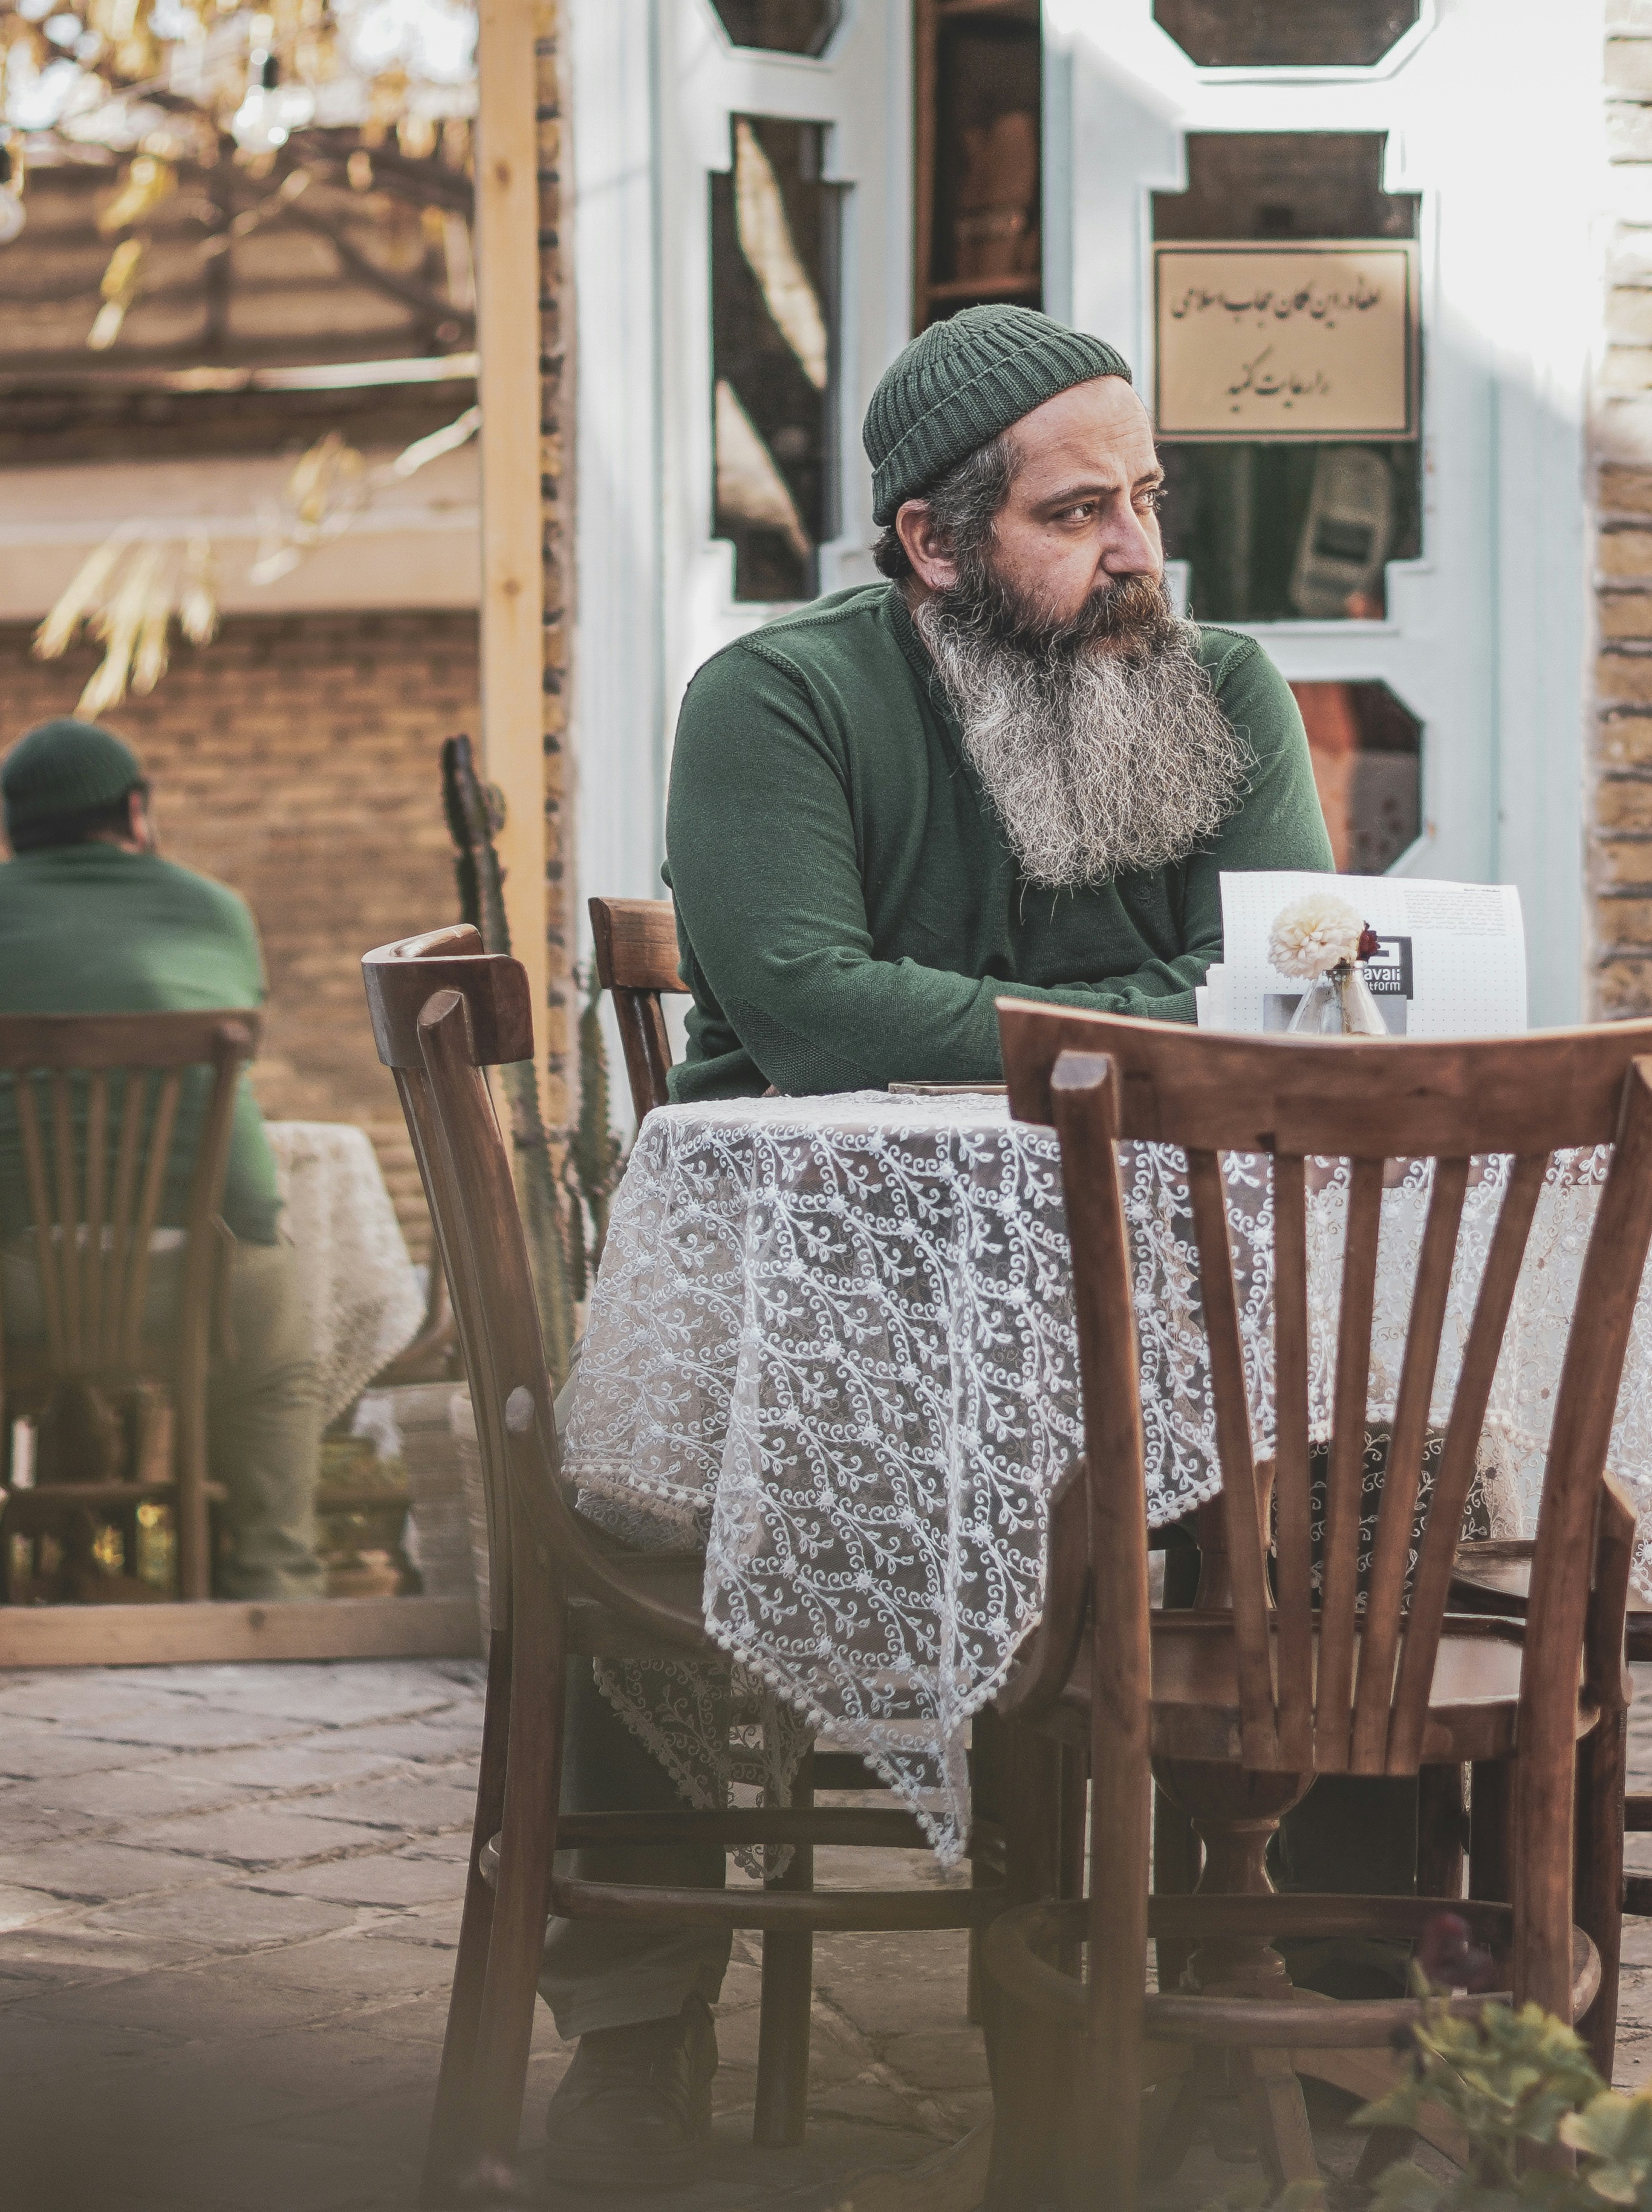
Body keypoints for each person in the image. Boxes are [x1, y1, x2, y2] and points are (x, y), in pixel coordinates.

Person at [536, 307, 1350, 2186]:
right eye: (1081, 514)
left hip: (1162, 1308)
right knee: (649, 1494)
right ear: (931, 543)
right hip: (828, 1313)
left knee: (1352, 1495)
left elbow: (1283, 1005)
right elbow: (815, 1013)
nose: (1137, 549)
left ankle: (1308, 1997)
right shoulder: (778, 700)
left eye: (1147, 499)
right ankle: (636, 2028)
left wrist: (1049, 1013)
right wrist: (1155, 1015)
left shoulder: (1220, 686)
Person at [0, 719, 324, 1602]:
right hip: (197, 1279)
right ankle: (277, 1586)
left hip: (2, 1285)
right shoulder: (216, 912)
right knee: (278, 1366)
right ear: (135, 810)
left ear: (13, 825)